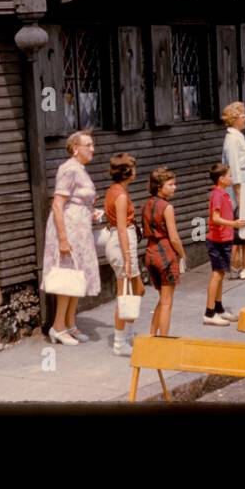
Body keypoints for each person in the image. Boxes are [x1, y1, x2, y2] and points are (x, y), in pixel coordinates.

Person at [41, 131, 100, 345]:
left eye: (92, 145)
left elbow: (78, 200)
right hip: (68, 228)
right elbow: (57, 204)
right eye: (88, 145)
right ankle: (57, 327)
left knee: (78, 275)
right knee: (67, 276)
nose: (92, 149)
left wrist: (90, 210)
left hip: (81, 228)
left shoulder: (80, 170)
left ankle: (70, 323)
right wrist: (63, 239)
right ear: (75, 148)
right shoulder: (68, 169)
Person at [103, 152, 145, 357]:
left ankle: (127, 334)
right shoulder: (120, 195)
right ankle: (120, 342)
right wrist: (128, 258)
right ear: (128, 172)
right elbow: (121, 228)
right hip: (122, 244)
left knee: (138, 290)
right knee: (126, 294)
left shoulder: (114, 190)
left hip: (123, 242)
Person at [142, 167, 186, 338]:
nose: (175, 187)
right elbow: (174, 238)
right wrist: (182, 254)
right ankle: (164, 342)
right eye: (171, 184)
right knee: (168, 302)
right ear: (160, 186)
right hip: (165, 254)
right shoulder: (167, 207)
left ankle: (152, 336)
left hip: (150, 252)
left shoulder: (146, 204)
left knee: (162, 299)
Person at [204, 163, 245, 326]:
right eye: (229, 176)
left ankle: (219, 308)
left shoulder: (223, 194)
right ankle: (209, 312)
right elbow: (215, 218)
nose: (231, 178)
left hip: (224, 238)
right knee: (216, 274)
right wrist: (233, 224)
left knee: (220, 274)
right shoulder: (217, 195)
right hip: (217, 240)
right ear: (221, 179)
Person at [221, 101, 245, 278]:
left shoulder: (237, 136)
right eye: (243, 116)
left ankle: (243, 263)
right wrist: (239, 192)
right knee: (241, 222)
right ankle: (236, 263)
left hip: (244, 180)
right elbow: (234, 167)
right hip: (240, 183)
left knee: (243, 223)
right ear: (235, 119)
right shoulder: (232, 139)